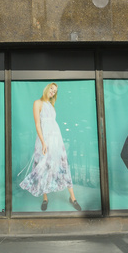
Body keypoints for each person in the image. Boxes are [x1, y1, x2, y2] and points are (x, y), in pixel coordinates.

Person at [19, 82, 81, 211]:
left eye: (55, 91)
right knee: (43, 165)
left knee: (63, 164)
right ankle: (45, 198)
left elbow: (53, 125)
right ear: (47, 88)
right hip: (44, 139)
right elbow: (37, 124)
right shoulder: (38, 103)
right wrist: (43, 142)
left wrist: (58, 141)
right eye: (51, 89)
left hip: (56, 138)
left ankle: (73, 198)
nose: (53, 92)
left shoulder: (52, 106)